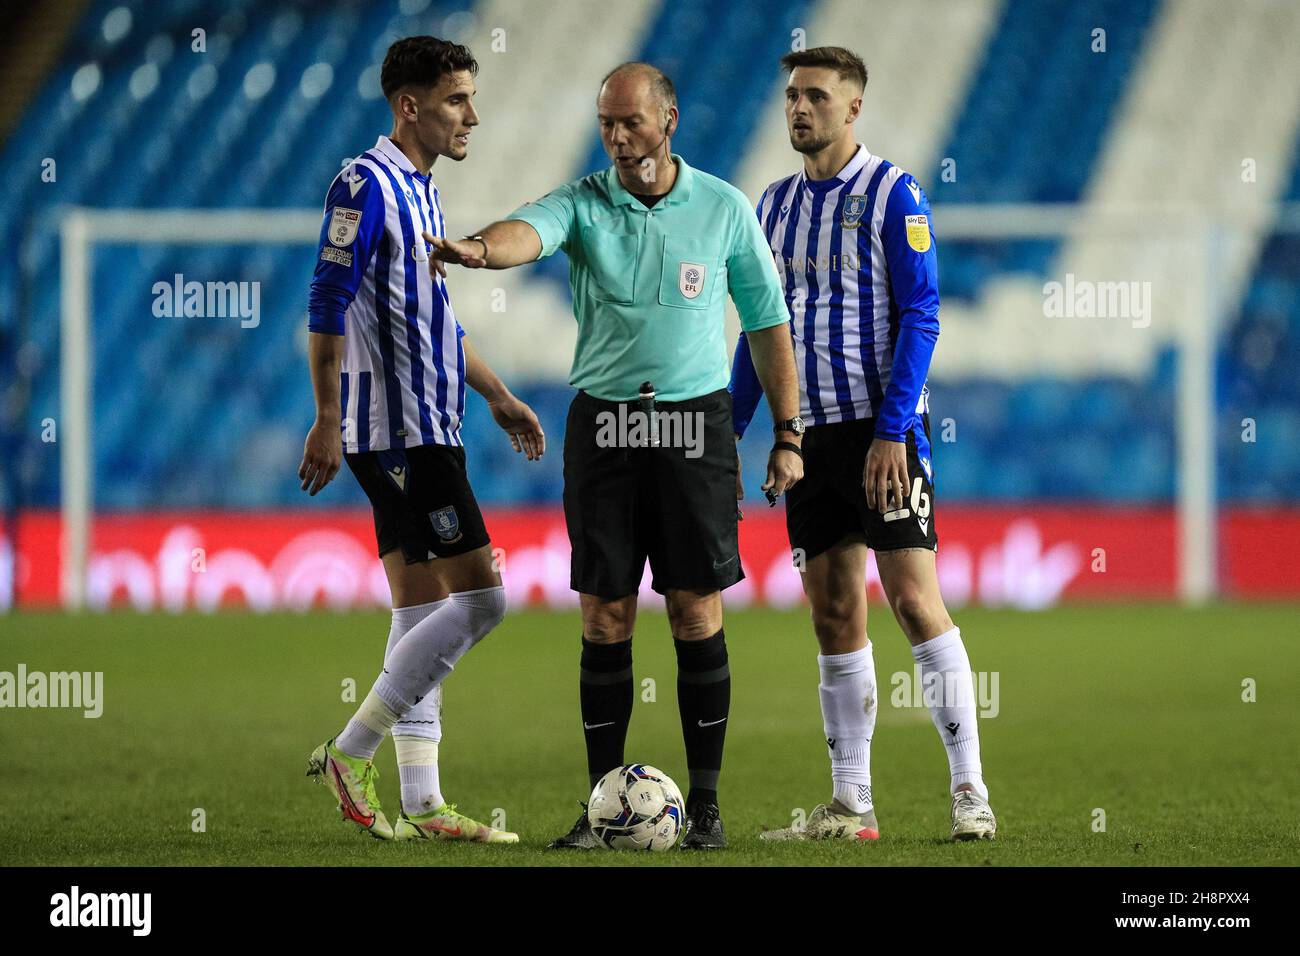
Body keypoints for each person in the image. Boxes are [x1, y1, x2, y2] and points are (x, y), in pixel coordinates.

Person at [426, 62, 804, 849]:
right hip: (604, 428)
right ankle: (604, 807)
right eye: (607, 124)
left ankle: (703, 808)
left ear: (670, 122)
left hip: (694, 427)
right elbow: (526, 233)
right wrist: (476, 251)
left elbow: (768, 326)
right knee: (604, 616)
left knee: (696, 610)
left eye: (631, 122)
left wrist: (790, 433)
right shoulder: (585, 203)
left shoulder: (726, 209)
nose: (619, 137)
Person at [730, 46, 997, 842]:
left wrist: (891, 431)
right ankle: (851, 807)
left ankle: (970, 792)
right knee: (834, 610)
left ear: (853, 110)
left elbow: (923, 314)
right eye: (791, 97)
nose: (799, 109)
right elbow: (761, 332)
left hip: (883, 436)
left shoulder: (894, 193)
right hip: (807, 442)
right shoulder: (770, 207)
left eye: (816, 96)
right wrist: (731, 434)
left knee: (914, 601)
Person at [298, 35, 544, 845]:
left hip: (433, 423)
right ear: (409, 106)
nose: (472, 115)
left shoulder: (424, 194)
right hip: (396, 432)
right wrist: (329, 419)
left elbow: (436, 320)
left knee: (421, 607)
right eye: (456, 100)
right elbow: (326, 304)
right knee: (482, 599)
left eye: (471, 97)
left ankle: (424, 800)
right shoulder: (362, 186)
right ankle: (350, 749)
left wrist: (499, 394)